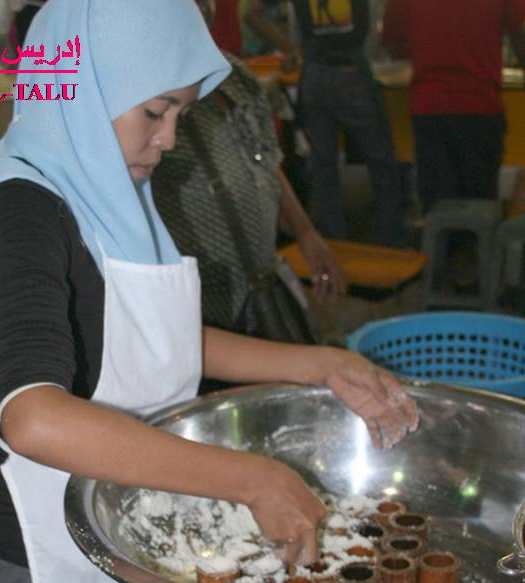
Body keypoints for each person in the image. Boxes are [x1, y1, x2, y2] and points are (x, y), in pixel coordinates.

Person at [0, 0, 418, 583]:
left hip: (125, 515)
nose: (167, 139)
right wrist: (253, 478)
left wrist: (319, 364)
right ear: (83, 86)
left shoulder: (98, 186)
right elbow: (35, 418)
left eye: (180, 116)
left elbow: (147, 334)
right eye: (154, 111)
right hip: (49, 541)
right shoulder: (21, 211)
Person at [152, 0, 345, 359]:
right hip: (196, 308)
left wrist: (306, 234)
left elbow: (266, 161)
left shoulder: (234, 75)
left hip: (259, 289)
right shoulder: (138, 97)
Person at [382, 0, 525, 214]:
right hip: (480, 106)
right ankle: (474, 246)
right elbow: (520, 34)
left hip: (430, 109)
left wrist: (432, 47)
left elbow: (393, 44)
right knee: (480, 211)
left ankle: (440, 246)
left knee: (437, 211)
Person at [289, 0, 405, 247]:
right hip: (351, 71)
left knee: (322, 162)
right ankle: (389, 238)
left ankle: (331, 237)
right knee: (381, 161)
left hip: (315, 75)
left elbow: (296, 31)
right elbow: (373, 29)